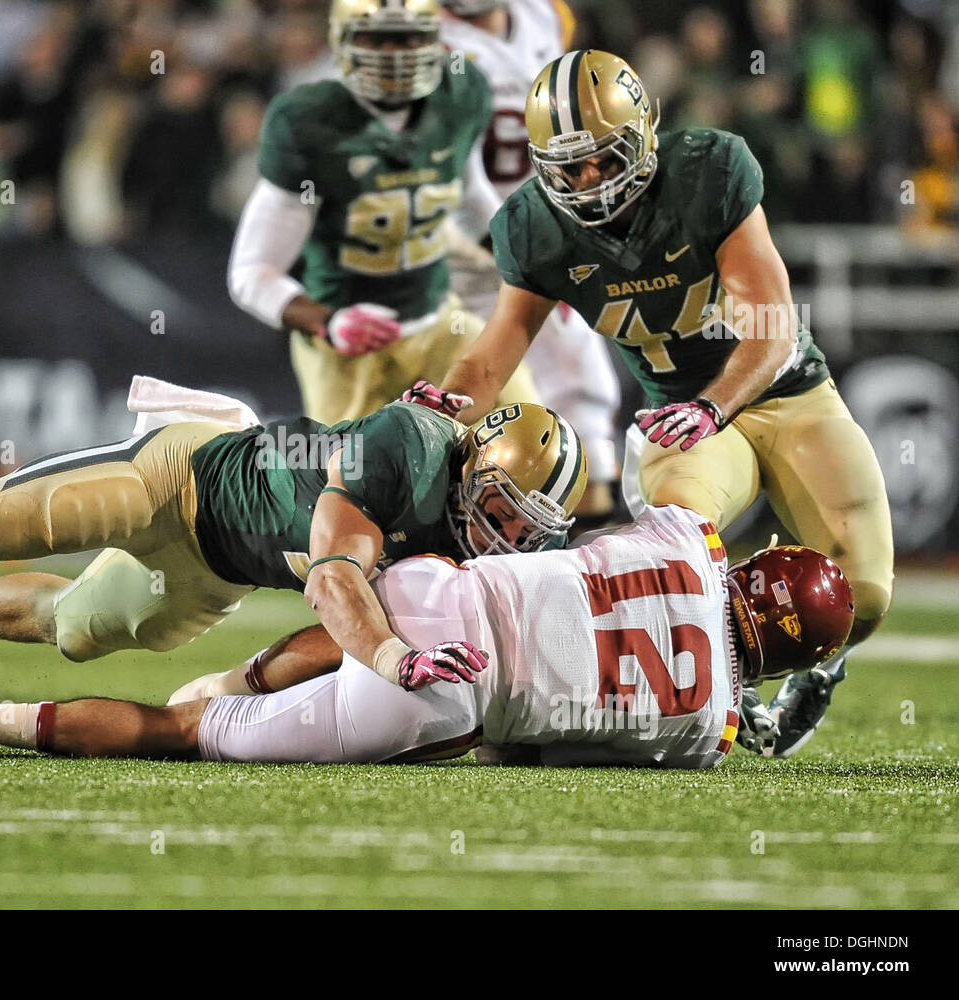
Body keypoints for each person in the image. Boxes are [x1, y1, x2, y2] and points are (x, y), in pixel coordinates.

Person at [423, 50, 892, 757]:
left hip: (782, 392)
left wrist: (716, 405)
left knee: (867, 594)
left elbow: (771, 325)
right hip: (682, 413)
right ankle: (728, 679)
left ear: (645, 135)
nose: (589, 182)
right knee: (679, 559)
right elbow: (492, 356)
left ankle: (817, 666)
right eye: (568, 168)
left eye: (605, 160)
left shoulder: (708, 172)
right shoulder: (535, 227)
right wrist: (433, 409)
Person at [0, 398, 585, 725]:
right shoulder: (408, 455)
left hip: (219, 570)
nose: (502, 539)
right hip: (179, 476)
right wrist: (390, 658)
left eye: (525, 531)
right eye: (500, 511)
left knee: (74, 630)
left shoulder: (478, 538)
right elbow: (339, 580)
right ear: (475, 467)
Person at [0, 501, 855, 769]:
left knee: (389, 613)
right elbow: (533, 752)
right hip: (450, 691)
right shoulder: (709, 730)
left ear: (759, 573)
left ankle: (240, 672)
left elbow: (659, 500)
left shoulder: (693, 540)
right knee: (184, 738)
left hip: (443, 588)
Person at [227, 0, 537, 425]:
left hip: (437, 323)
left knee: (525, 428)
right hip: (344, 351)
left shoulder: (460, 94)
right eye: (378, 38)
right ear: (343, 40)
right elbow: (250, 273)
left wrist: (528, 262)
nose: (396, 55)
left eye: (410, 38)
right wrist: (329, 322)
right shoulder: (310, 122)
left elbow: (467, 195)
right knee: (354, 481)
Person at [438, 0, 622, 532]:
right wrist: (519, 247)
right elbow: (457, 177)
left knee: (580, 382)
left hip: (543, 233)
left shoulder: (546, 16)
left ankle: (593, 546)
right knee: (472, 404)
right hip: (464, 255)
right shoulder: (428, 39)